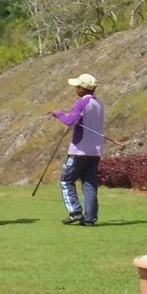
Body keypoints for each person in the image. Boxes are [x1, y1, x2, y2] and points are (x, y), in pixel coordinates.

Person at [50, 73, 105, 226]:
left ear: (82, 89)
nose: (75, 88)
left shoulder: (81, 103)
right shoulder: (99, 104)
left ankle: (75, 212)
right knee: (89, 184)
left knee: (66, 180)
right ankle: (90, 218)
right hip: (95, 151)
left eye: (77, 86)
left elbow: (70, 121)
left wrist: (58, 114)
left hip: (79, 150)